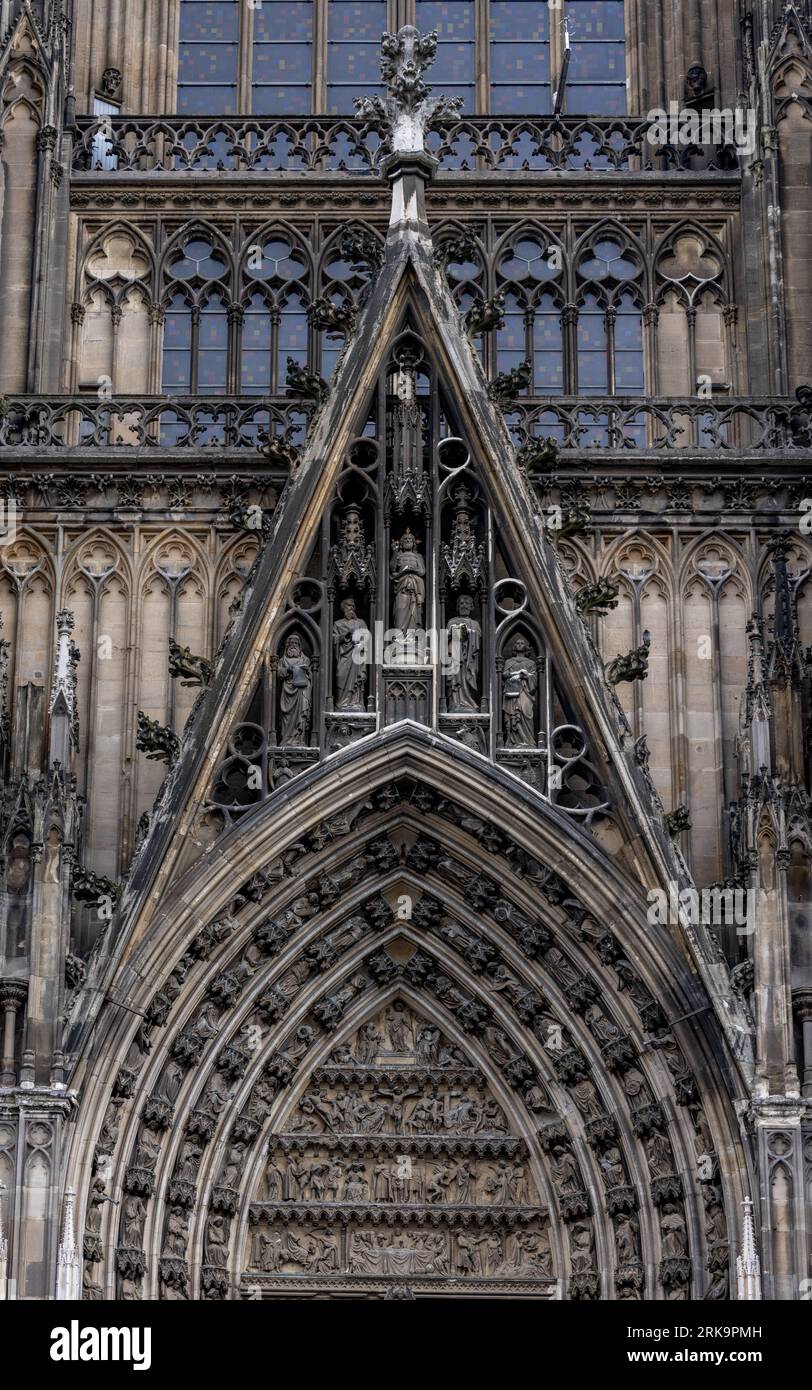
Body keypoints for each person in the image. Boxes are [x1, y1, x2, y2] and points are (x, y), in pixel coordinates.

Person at [445, 595, 481, 711]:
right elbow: (444, 638)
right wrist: (453, 631)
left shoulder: (475, 624)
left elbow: (478, 638)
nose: (464, 605)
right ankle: (455, 702)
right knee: (455, 679)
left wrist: (468, 633)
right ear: (457, 607)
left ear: (471, 607)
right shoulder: (452, 621)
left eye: (467, 603)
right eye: (461, 603)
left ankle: (468, 702)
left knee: (467, 677)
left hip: (468, 659)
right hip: (454, 655)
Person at [333, 597, 368, 710]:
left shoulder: (360, 623)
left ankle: (355, 702)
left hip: (357, 656)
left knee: (357, 679)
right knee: (340, 676)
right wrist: (347, 634)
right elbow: (334, 640)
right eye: (348, 605)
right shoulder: (337, 624)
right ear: (343, 608)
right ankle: (341, 702)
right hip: (344, 656)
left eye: (353, 606)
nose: (351, 608)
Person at [502, 636, 537, 746]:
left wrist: (525, 675)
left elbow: (534, 678)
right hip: (512, 692)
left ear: (526, 647)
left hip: (525, 692)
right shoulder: (509, 662)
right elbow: (504, 675)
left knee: (525, 713)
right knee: (512, 715)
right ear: (514, 647)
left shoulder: (531, 663)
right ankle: (512, 741)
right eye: (517, 643)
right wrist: (513, 674)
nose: (519, 644)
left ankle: (527, 741)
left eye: (522, 643)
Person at [278, 633, 312, 744]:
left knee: (300, 716)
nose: (293, 646)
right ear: (287, 645)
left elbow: (311, 675)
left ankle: (299, 739)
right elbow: (278, 673)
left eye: (296, 643)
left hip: (301, 691)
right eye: (291, 643)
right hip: (287, 691)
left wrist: (307, 671)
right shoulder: (282, 660)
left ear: (299, 646)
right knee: (287, 717)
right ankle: (286, 739)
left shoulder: (305, 660)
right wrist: (288, 670)